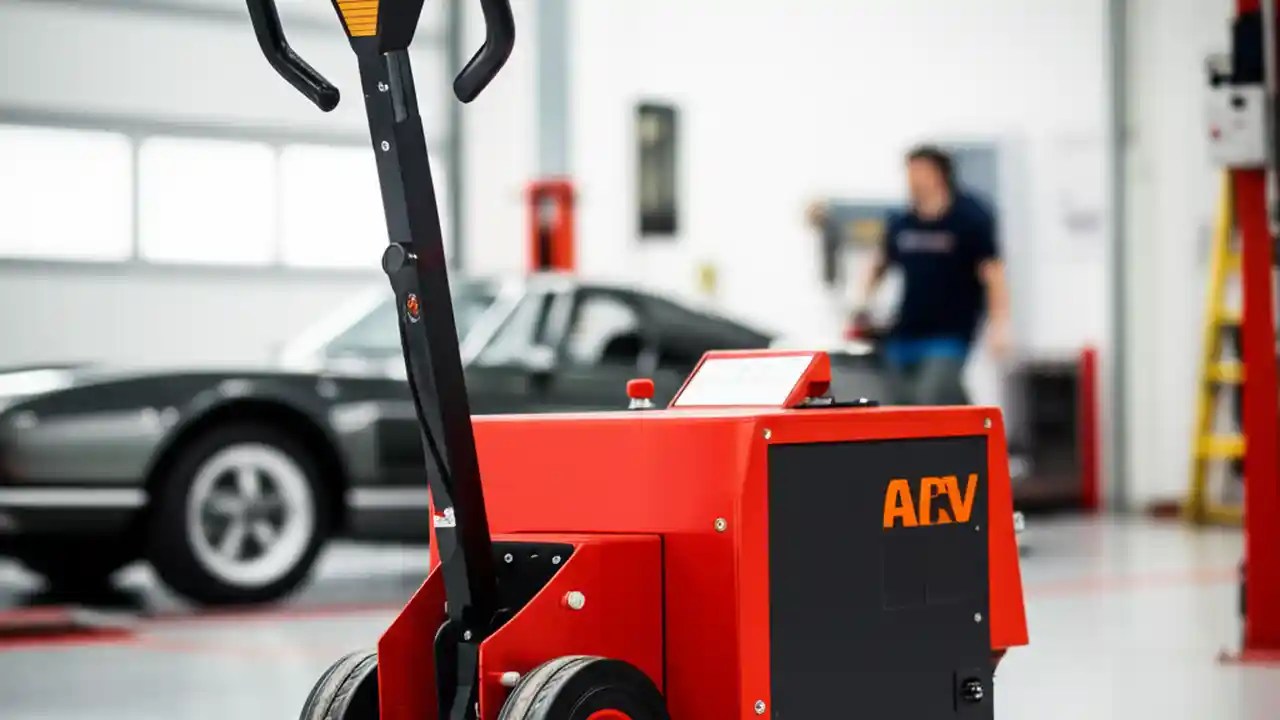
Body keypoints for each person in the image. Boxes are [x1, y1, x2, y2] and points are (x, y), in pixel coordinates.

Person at [810, 145, 1012, 405]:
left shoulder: (970, 218)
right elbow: (880, 264)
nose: (911, 179)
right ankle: (971, 431)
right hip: (907, 329)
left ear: (938, 174)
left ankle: (978, 435)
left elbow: (992, 274)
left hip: (950, 330)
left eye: (918, 171)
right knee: (903, 401)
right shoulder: (902, 221)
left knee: (931, 394)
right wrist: (860, 304)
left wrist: (1000, 325)